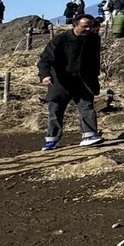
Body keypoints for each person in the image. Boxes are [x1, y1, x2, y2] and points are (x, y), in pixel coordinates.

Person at [37, 13, 104, 150]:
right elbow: (45, 58)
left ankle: (89, 135)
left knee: (87, 107)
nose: (88, 29)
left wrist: (95, 74)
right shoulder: (60, 40)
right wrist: (45, 75)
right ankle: (52, 139)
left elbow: (95, 59)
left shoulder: (94, 39)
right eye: (84, 26)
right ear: (75, 25)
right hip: (61, 81)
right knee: (56, 110)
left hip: (84, 81)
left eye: (90, 26)